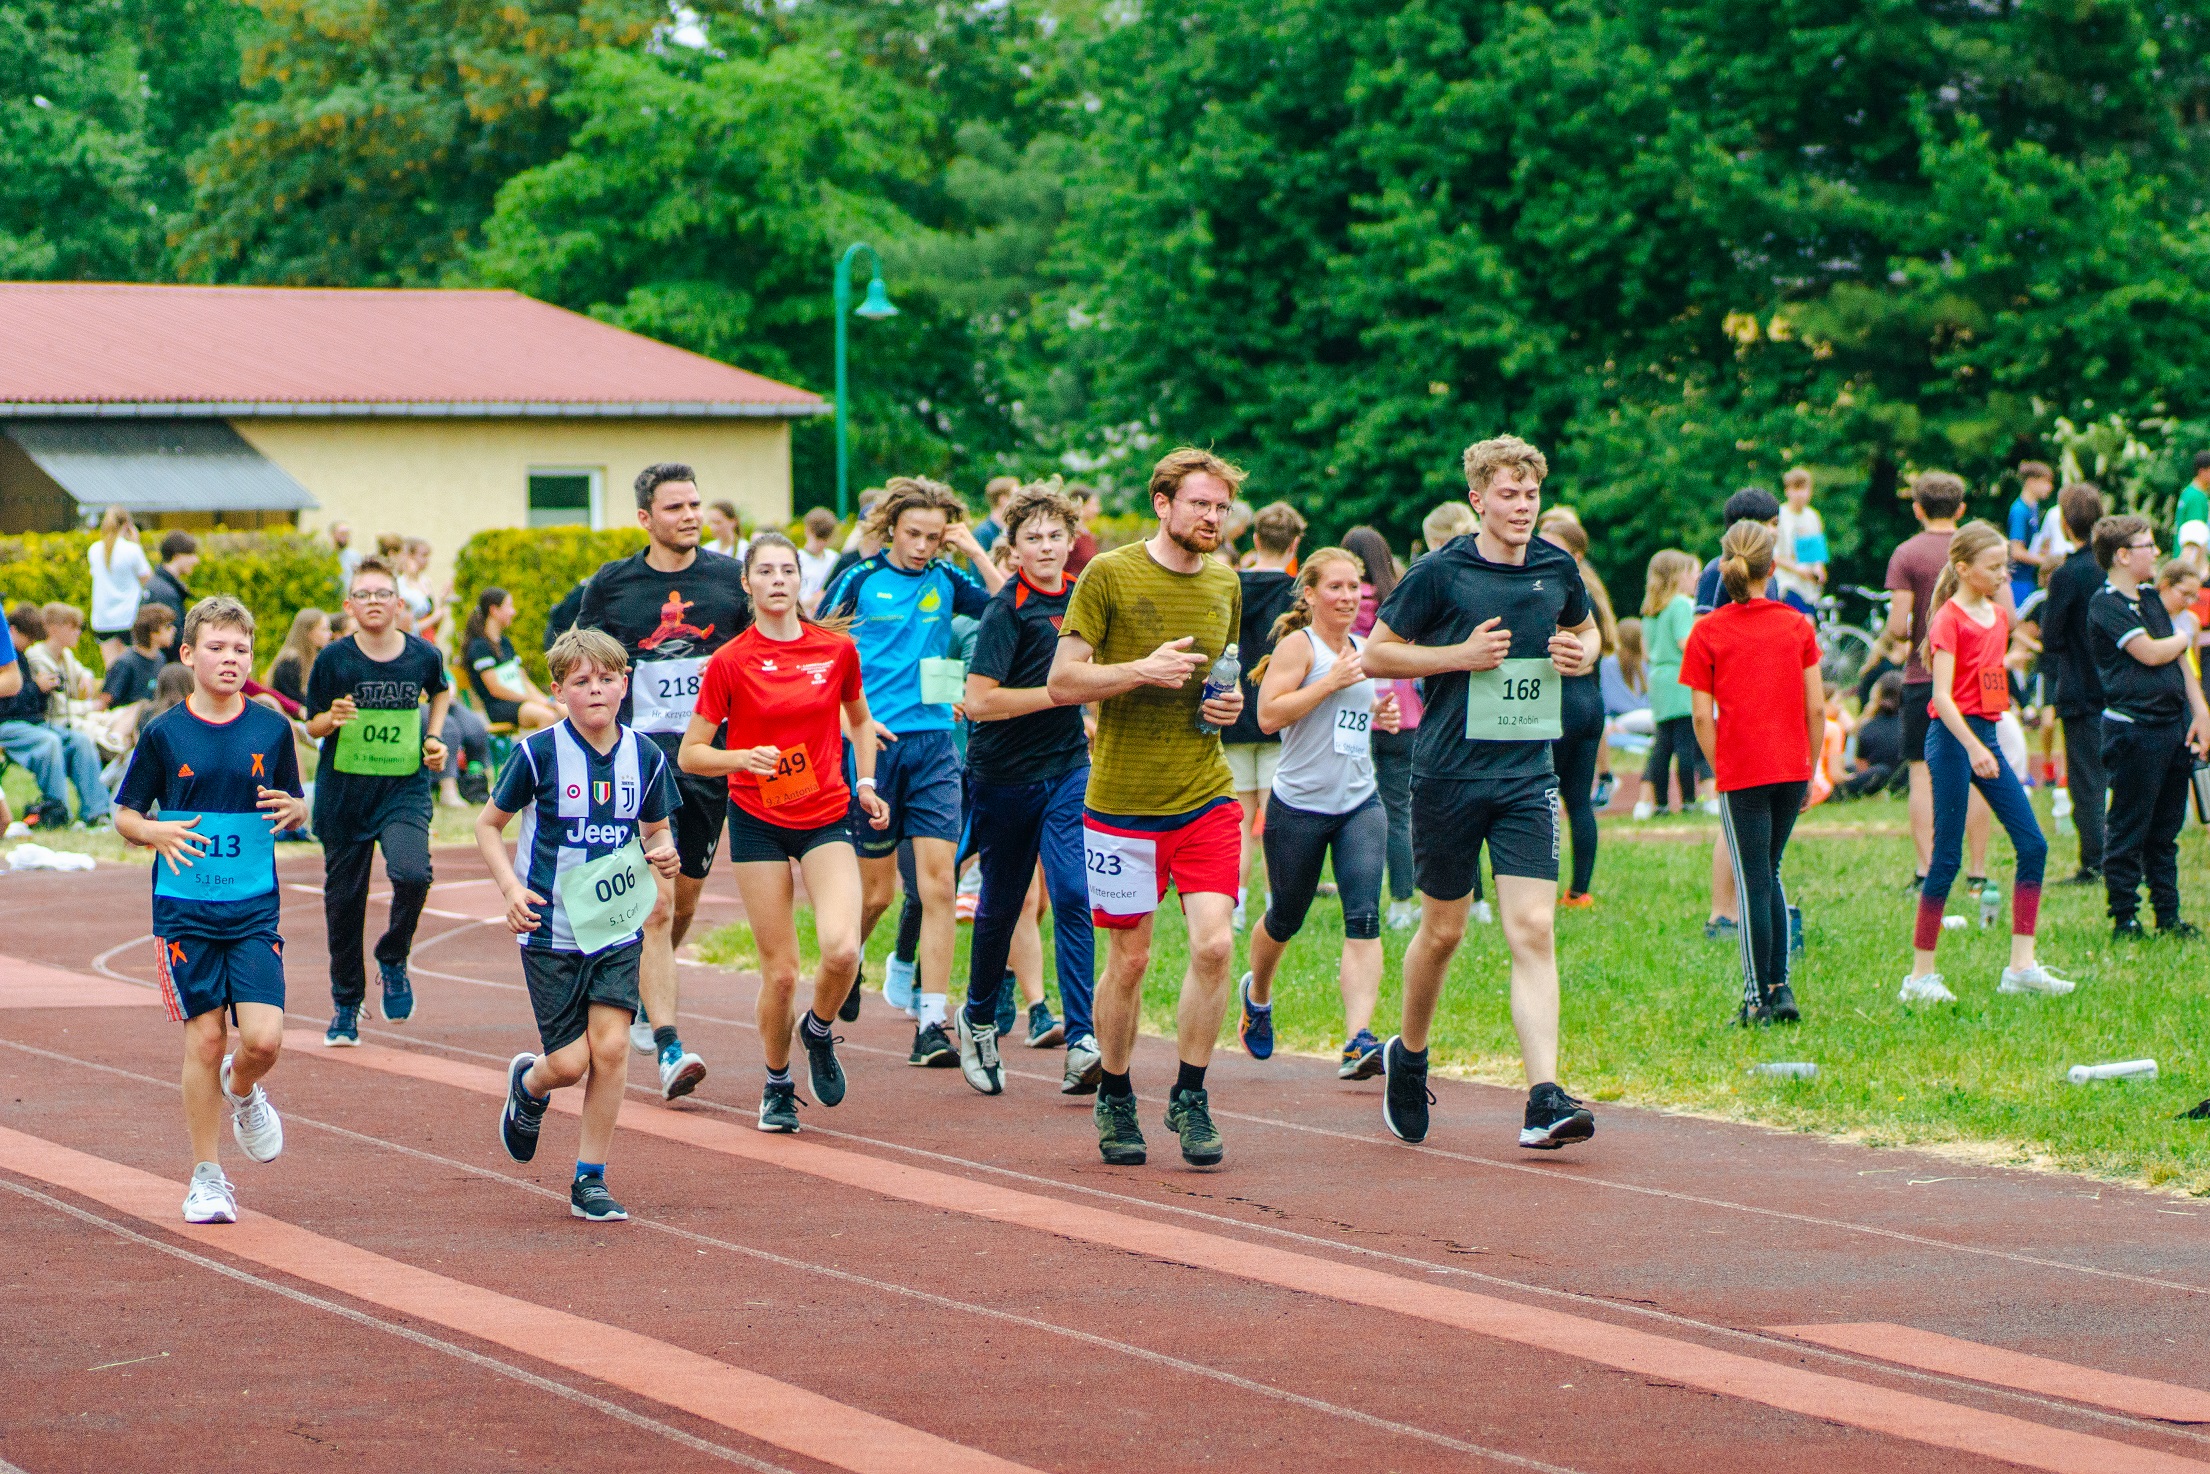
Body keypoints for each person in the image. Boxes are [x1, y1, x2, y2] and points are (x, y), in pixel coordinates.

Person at [1363, 434, 1602, 1151]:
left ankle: (1542, 1098)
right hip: (1447, 773)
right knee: (1445, 931)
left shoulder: (1558, 567)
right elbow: (1376, 652)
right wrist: (1459, 658)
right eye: (1508, 494)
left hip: (1527, 774)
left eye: (1531, 495)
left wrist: (1578, 652)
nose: (1522, 507)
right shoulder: (1441, 573)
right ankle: (1407, 1055)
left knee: (1532, 928)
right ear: (1478, 499)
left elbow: (1589, 636)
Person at [1047, 447, 1246, 1166]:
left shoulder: (1226, 581)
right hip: (1122, 804)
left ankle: (1191, 1094)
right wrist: (1143, 670)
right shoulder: (1108, 573)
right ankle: (1117, 1092)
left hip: (1203, 794)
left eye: (1221, 507)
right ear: (1163, 503)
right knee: (1129, 961)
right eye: (1200, 504)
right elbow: (1064, 681)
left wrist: (1229, 705)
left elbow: (1222, 679)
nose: (1213, 518)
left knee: (1215, 945)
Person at [112, 595, 308, 1224]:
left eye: (241, 649)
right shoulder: (164, 733)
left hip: (252, 907)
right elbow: (123, 814)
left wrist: (298, 812)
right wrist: (155, 833)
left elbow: (294, 802)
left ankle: (244, 1088)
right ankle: (207, 1177)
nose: (230, 659)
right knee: (206, 1037)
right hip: (185, 910)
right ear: (189, 654)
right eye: (217, 648)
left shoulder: (271, 727)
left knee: (264, 1039)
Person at [680, 534, 887, 1129]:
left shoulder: (835, 650)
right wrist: (740, 758)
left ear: (802, 581)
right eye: (765, 571)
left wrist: (867, 783)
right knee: (783, 971)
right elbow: (693, 754)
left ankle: (818, 1029)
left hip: (824, 813)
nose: (777, 580)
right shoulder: (729, 661)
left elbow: (861, 721)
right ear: (746, 584)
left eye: (788, 570)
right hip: (758, 821)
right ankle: (776, 1083)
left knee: (843, 949)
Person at [480, 628, 684, 1222]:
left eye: (606, 679)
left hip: (614, 924)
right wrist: (511, 888)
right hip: (549, 928)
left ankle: (589, 1177)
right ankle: (530, 1086)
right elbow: (488, 825)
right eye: (581, 682)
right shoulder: (537, 753)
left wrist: (664, 853)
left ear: (625, 685)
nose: (595, 690)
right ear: (559, 690)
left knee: (613, 1048)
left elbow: (656, 831)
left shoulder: (645, 757)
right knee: (570, 1064)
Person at [577, 463, 753, 1099]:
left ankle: (649, 983)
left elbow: (760, 655)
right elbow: (579, 655)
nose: (689, 515)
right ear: (646, 518)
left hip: (709, 764)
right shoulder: (613, 585)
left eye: (695, 505)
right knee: (654, 905)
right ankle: (671, 1043)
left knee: (683, 901)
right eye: (675, 506)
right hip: (640, 764)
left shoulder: (732, 578)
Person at [823, 477, 1003, 1064]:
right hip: (872, 746)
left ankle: (931, 1023)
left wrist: (974, 551)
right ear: (891, 530)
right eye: (913, 535)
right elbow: (817, 647)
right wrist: (848, 722)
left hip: (932, 746)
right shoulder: (859, 578)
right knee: (875, 894)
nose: (923, 547)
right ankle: (847, 967)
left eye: (934, 537)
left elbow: (1008, 609)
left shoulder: (949, 579)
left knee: (938, 886)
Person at [1237, 547, 1402, 1078]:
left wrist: (1382, 713)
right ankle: (1257, 993)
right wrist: (1329, 683)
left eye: (1355, 587)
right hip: (1299, 807)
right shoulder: (1298, 647)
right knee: (1286, 917)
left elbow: (1349, 722)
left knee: (1365, 917)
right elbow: (1266, 716)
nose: (1348, 597)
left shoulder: (1362, 647)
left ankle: (1358, 1040)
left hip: (1358, 803)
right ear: (1309, 594)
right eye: (1335, 587)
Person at [959, 484, 1100, 1096]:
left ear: (1072, 543)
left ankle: (1083, 1038)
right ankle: (980, 1016)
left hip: (1069, 768)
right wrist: (1056, 694)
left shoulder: (1082, 601)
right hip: (1004, 777)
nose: (1045, 547)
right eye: (1032, 538)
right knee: (1003, 903)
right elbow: (978, 702)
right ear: (1012, 550)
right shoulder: (1005, 610)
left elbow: (1099, 672)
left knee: (1072, 890)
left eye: (1054, 536)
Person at [1900, 522, 2068, 1001]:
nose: (2002, 574)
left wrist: (1994, 731)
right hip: (1953, 740)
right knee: (1947, 856)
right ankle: (1919, 977)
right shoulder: (1947, 620)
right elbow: (1943, 697)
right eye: (1993, 567)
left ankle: (2021, 967)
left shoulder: (1998, 616)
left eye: (2006, 566)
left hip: (1986, 735)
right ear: (1963, 569)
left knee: (2032, 845)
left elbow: (1990, 682)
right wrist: (1974, 748)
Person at [1679, 521, 1824, 1024]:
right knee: (1772, 872)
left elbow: (1701, 716)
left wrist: (1722, 764)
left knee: (1752, 881)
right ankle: (1781, 987)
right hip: (1790, 765)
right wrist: (1810, 768)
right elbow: (1818, 708)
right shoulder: (1796, 625)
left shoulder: (1708, 631)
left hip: (1743, 769)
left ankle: (1754, 997)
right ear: (1772, 565)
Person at [304, 556, 452, 1043]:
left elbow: (441, 693)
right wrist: (334, 718)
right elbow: (312, 726)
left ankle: (393, 955)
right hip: (344, 793)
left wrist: (432, 739)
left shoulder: (422, 656)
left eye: (382, 594)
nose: (373, 602)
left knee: (413, 873)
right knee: (344, 904)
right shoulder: (333, 660)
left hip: (402, 788)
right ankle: (346, 1004)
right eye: (363, 595)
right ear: (349, 605)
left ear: (398, 603)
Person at [2088, 514, 2210, 939]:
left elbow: (2180, 664)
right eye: (2148, 545)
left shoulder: (2148, 598)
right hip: (2134, 731)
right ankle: (2125, 915)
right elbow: (2153, 653)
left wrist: (2201, 713)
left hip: (2172, 726)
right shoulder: (2105, 604)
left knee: (2166, 829)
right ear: (2123, 555)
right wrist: (2187, 631)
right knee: (2128, 826)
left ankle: (2169, 915)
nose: (2157, 552)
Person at [1884, 472, 1997, 892]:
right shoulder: (1982, 548)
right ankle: (1979, 871)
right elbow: (2008, 614)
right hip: (1982, 678)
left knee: (1921, 774)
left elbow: (1898, 626)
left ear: (1917, 509)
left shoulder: (1906, 554)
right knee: (1980, 769)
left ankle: (1928, 871)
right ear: (1961, 510)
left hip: (1925, 677)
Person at [1222, 501, 1305, 930]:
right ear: (1295, 544)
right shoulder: (1297, 595)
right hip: (1281, 716)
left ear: (1254, 539)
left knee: (1237, 820)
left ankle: (1235, 907)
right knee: (1277, 819)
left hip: (1232, 714)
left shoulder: (1227, 586)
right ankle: (1278, 905)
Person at [1342, 525, 1420, 930]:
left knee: (1353, 812)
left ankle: (1361, 898)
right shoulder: (1400, 599)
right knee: (1399, 810)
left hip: (1353, 715)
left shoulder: (1343, 603)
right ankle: (1402, 903)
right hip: (1402, 715)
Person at [1538, 512, 1616, 906]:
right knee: (1578, 800)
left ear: (1577, 556)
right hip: (1589, 702)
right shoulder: (1592, 597)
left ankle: (1544, 887)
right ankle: (1579, 890)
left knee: (1545, 798)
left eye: (1554, 550)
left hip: (1563, 702)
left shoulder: (1558, 595)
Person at [2038, 483, 2108, 884]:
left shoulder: (2066, 575)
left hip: (2080, 687)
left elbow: (2052, 636)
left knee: (2086, 778)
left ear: (2066, 525)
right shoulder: (2111, 569)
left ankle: (2094, 861)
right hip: (2120, 686)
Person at [2, 604, 114, 826]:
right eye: (28, 638)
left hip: (32, 723)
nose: (30, 644)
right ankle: (57, 813)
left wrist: (43, 690)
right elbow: (9, 704)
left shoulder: (20, 657)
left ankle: (97, 813)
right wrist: (36, 687)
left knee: (80, 741)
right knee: (49, 742)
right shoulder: (8, 660)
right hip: (6, 724)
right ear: (12, 631)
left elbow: (29, 703)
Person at [1636, 549, 1699, 818]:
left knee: (1663, 745)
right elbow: (1686, 643)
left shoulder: (1650, 610)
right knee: (1686, 743)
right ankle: (1688, 800)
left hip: (1658, 679)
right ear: (1677, 577)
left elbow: (1647, 652)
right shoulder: (1681, 605)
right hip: (1680, 677)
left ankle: (1660, 803)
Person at [462, 587, 562, 730]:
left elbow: (524, 680)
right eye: (509, 606)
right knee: (548, 717)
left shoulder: (505, 643)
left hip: (522, 700)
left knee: (564, 711)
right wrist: (532, 699)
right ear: (494, 610)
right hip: (500, 706)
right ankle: (541, 753)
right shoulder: (480, 647)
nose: (513, 611)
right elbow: (495, 689)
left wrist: (545, 700)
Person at [86, 506, 153, 664]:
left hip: (103, 618)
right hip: (129, 616)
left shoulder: (94, 549)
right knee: (131, 666)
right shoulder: (132, 549)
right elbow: (148, 580)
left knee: (111, 668)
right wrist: (136, 542)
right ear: (127, 525)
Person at [100, 603, 175, 715]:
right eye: (167, 627)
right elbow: (105, 700)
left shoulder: (160, 658)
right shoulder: (125, 663)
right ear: (152, 632)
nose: (173, 630)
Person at [1773, 468, 1827, 617]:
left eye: (1804, 489)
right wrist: (1798, 569)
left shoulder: (1812, 516)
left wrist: (1818, 570)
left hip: (1809, 588)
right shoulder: (1779, 516)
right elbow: (1774, 555)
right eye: (1796, 489)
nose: (1800, 494)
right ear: (1787, 490)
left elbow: (1816, 555)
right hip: (1787, 584)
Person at [2007, 461, 2055, 607]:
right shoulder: (2019, 511)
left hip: (2029, 579)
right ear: (2031, 482)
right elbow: (2016, 551)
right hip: (2019, 581)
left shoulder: (2033, 508)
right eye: (2045, 482)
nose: (2049, 487)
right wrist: (2047, 561)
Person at [264, 608, 329, 711]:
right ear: (309, 632)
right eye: (324, 629)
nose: (329, 634)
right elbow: (292, 699)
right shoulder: (290, 661)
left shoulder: (314, 658)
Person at [146, 532, 198, 627]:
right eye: (191, 554)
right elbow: (176, 635)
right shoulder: (165, 593)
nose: (196, 560)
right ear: (177, 556)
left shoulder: (159, 584)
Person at [798, 507, 841, 612]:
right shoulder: (796, 559)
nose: (821, 544)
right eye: (818, 538)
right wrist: (814, 600)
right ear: (807, 531)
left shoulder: (835, 559)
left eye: (825, 539)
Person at [1064, 485, 1103, 578]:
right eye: (1094, 505)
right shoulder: (1070, 534)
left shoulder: (1087, 534)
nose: (1098, 510)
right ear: (1081, 504)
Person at [973, 476, 1018, 550]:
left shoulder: (1013, 528)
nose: (1018, 501)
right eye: (1015, 496)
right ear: (1002, 499)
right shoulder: (982, 532)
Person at [2179, 452, 2210, 545]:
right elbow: (2196, 535)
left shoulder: (2189, 491)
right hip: (2190, 557)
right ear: (2202, 472)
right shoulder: (2197, 497)